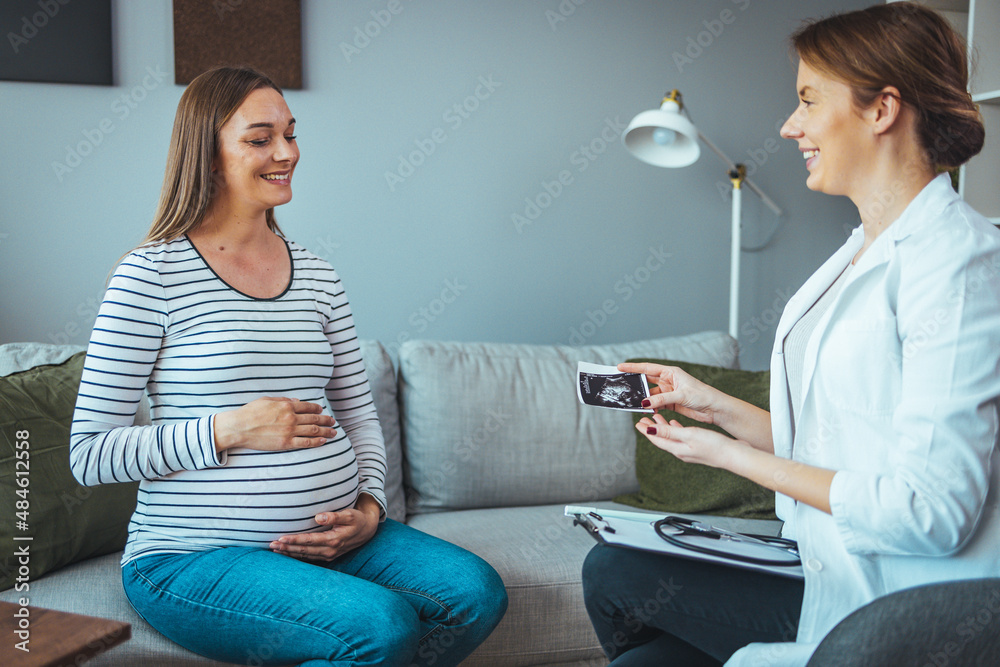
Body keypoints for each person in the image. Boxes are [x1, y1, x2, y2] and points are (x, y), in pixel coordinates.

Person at [582, 3, 1000, 665]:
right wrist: (714, 408)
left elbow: (930, 510)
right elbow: (836, 443)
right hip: (825, 571)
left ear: (882, 109)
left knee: (623, 587)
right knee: (617, 577)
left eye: (808, 99)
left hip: (897, 608)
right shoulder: (859, 250)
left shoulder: (960, 263)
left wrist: (728, 457)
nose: (788, 125)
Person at [69, 66, 507, 667]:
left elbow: (359, 414)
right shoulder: (150, 275)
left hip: (333, 541)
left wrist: (370, 509)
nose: (287, 153)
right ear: (208, 155)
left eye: (291, 134)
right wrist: (230, 429)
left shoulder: (319, 275)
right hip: (194, 555)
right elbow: (90, 454)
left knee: (475, 594)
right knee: (379, 627)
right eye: (260, 139)